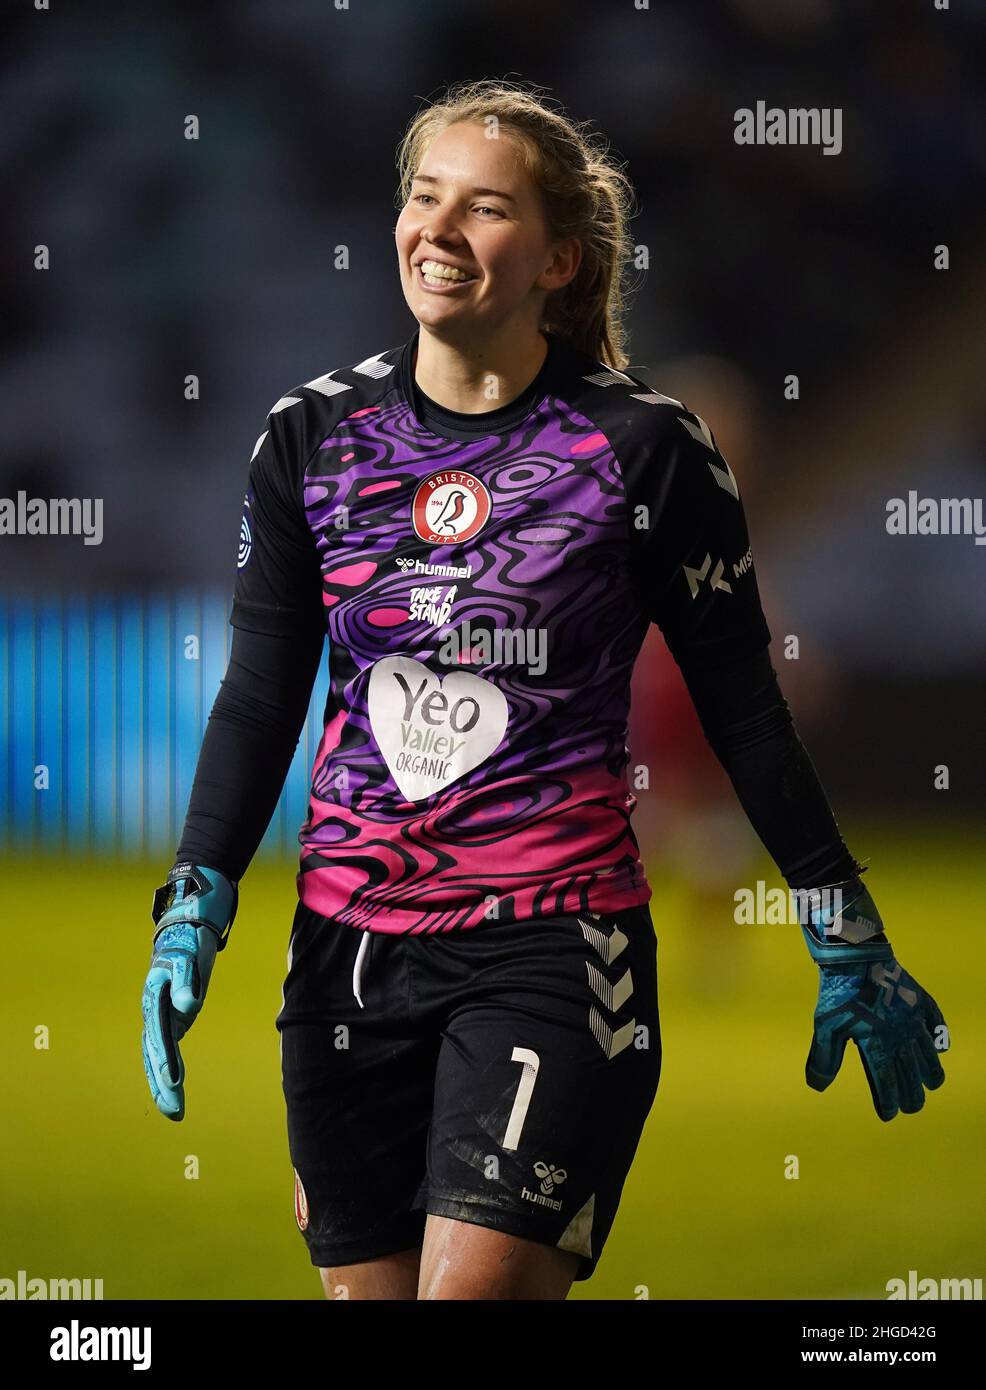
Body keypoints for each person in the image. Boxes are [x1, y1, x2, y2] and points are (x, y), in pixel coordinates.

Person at [140, 79, 948, 1301]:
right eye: (424, 198)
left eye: (484, 208)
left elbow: (743, 708)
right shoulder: (309, 440)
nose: (438, 230)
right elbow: (259, 700)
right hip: (345, 955)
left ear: (559, 258)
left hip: (551, 945)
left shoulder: (645, 449)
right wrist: (194, 901)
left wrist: (839, 920)